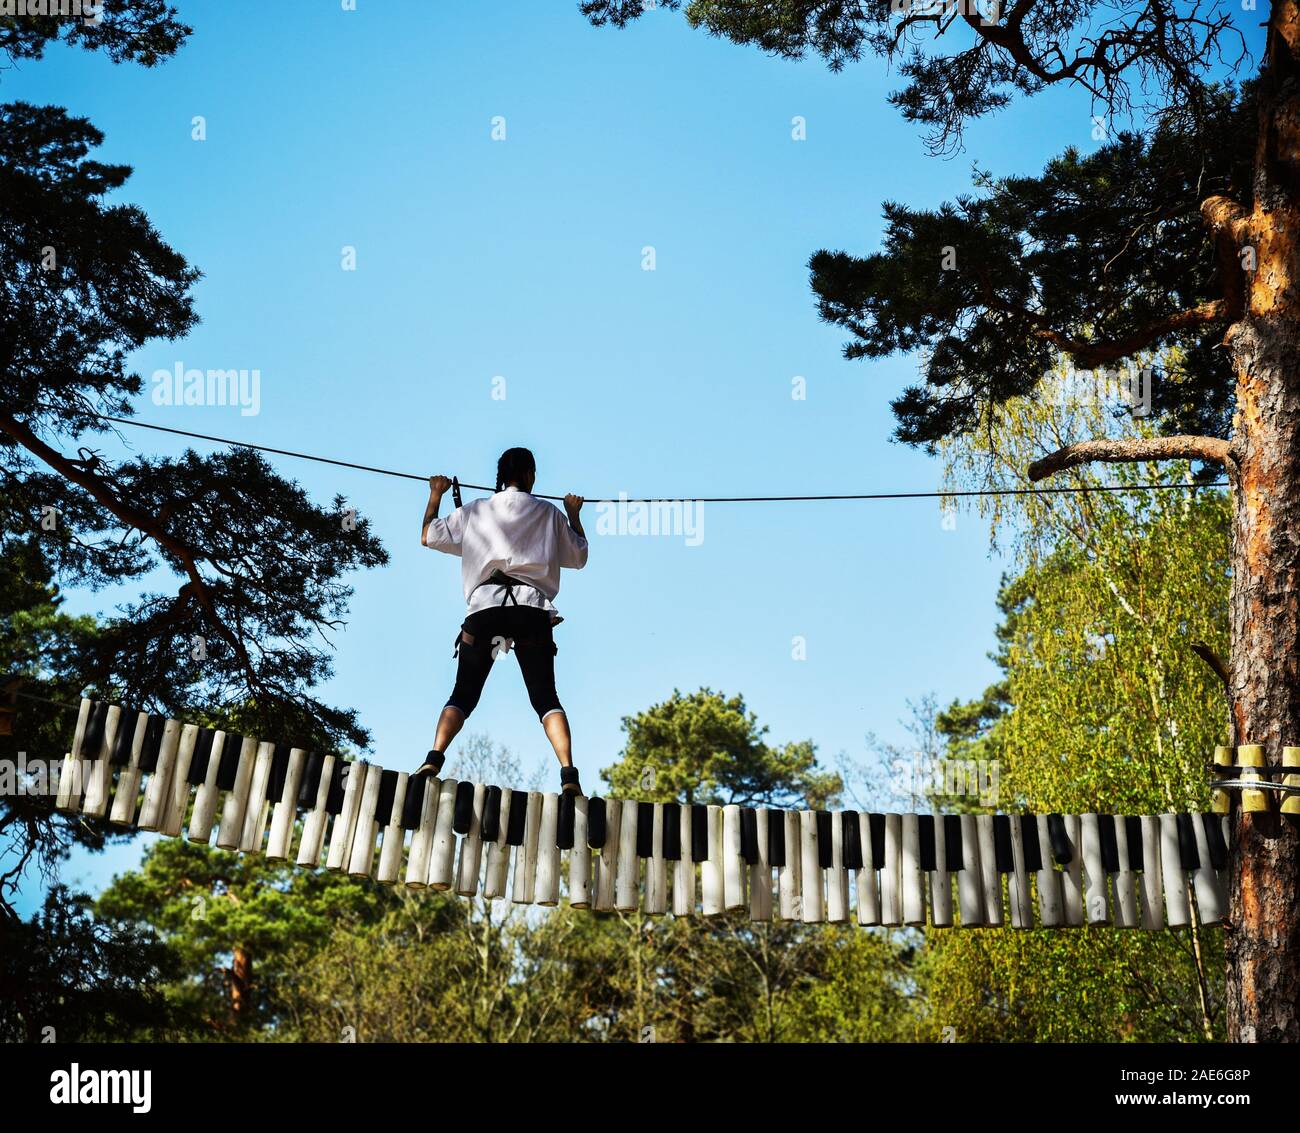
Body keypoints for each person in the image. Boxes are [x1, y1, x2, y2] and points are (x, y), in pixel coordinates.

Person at [415, 447, 588, 796]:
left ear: (501, 475)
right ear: (530, 475)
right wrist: (573, 514)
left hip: (485, 608)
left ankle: (434, 756)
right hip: (531, 609)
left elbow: (428, 535)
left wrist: (435, 494)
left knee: (463, 694)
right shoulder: (550, 513)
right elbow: (579, 555)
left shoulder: (475, 510)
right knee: (546, 698)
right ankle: (568, 772)